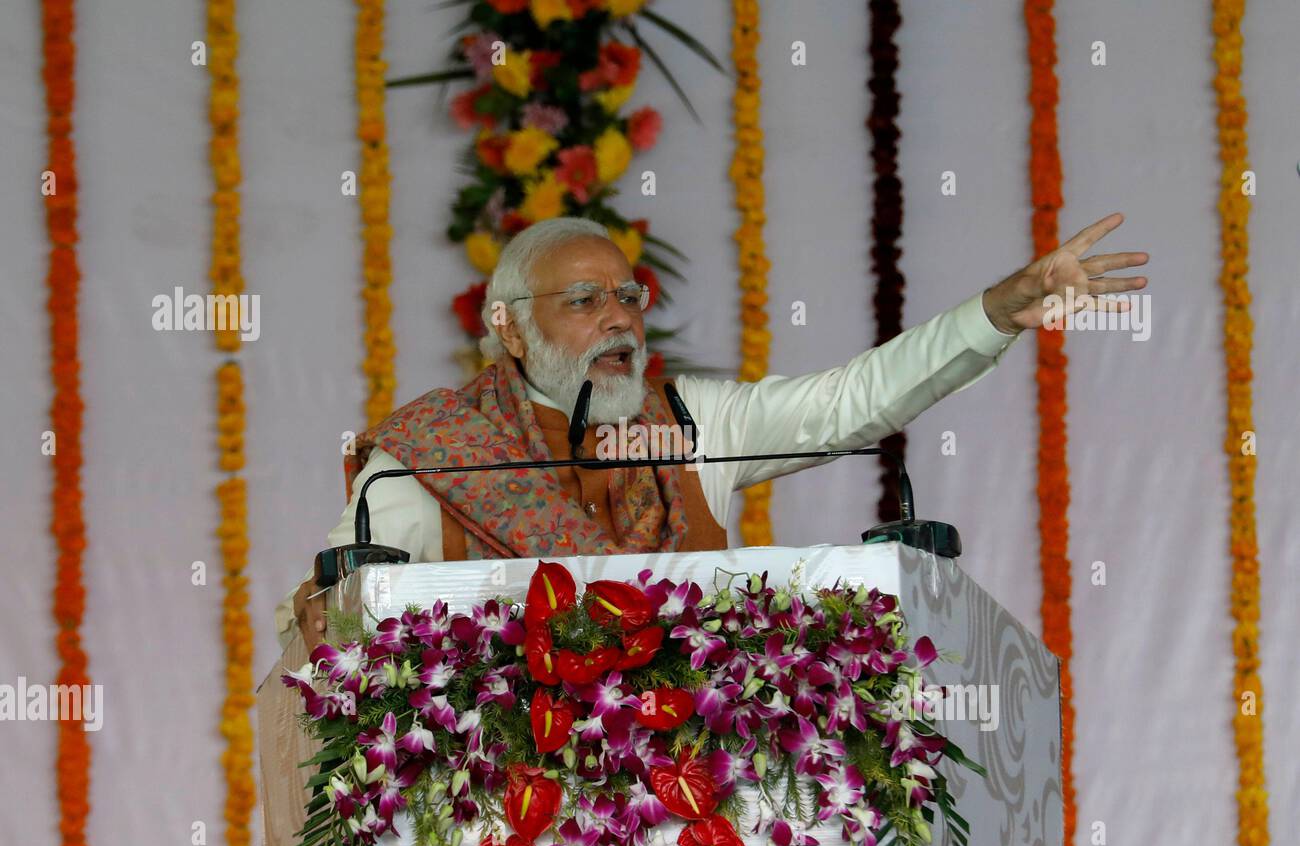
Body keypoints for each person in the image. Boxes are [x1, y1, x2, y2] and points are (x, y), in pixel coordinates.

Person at [277, 213, 1148, 651]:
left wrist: (999, 311)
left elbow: (854, 402)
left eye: (628, 298)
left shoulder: (693, 421)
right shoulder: (423, 458)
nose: (618, 321)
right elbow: (339, 641)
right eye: (584, 302)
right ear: (508, 327)